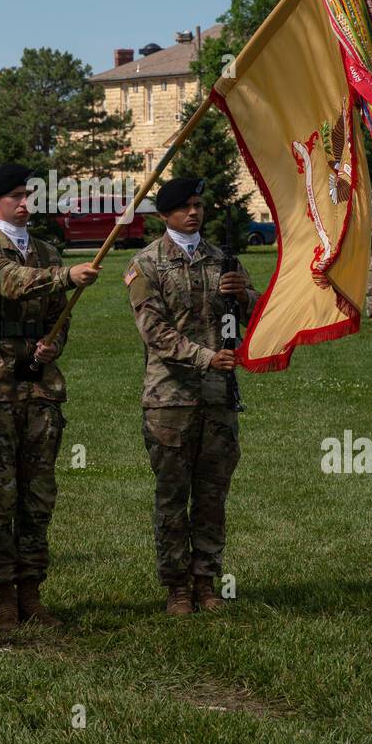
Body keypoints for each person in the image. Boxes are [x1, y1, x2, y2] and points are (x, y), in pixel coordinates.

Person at [0, 163, 99, 634]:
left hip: (40, 384)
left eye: (29, 196)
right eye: (16, 196)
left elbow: (61, 317)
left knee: (37, 492)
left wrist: (52, 345)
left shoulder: (46, 249)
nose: (25, 204)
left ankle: (31, 591)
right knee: (0, 494)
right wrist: (66, 274)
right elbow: (11, 282)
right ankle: (2, 596)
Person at [126, 176, 258, 617]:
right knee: (171, 495)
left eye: (199, 205)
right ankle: (176, 586)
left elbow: (255, 314)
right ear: (165, 215)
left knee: (211, 495)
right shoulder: (146, 265)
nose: (194, 213)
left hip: (218, 396)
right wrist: (205, 358)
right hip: (170, 398)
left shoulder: (223, 260)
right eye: (184, 207)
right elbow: (155, 332)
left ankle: (206, 581)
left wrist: (245, 296)